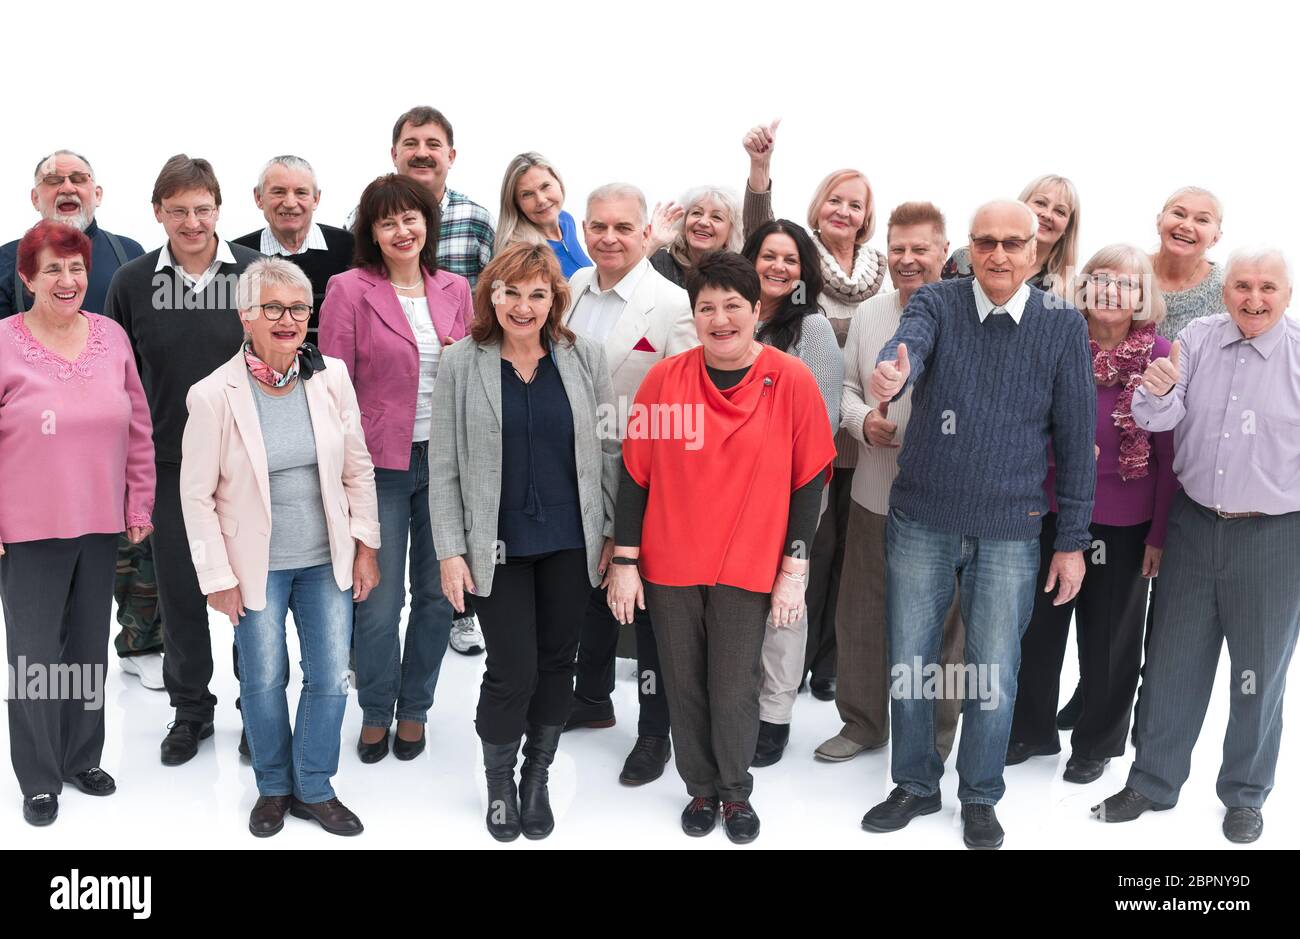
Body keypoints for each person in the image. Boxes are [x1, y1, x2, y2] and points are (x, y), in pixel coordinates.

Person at [860, 200, 1095, 850]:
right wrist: (894, 367)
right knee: (911, 658)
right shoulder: (938, 302)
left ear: (1034, 251)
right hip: (923, 519)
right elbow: (907, 344)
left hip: (1010, 529)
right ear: (969, 247)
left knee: (994, 667)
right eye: (985, 241)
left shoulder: (1061, 326)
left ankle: (981, 794)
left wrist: (1072, 540)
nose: (997, 254)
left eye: (1011, 243)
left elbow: (1077, 441)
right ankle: (912, 782)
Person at [607, 250, 836, 843]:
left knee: (733, 684)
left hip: (749, 560)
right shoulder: (665, 380)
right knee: (681, 681)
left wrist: (795, 565)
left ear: (756, 309)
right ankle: (700, 789)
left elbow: (809, 478)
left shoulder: (790, 379)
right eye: (706, 307)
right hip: (670, 560)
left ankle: (735, 794)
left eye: (733, 305)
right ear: (694, 315)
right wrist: (626, 562)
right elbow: (636, 476)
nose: (720, 318)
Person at [1093, 248, 1300, 845]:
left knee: (1258, 673)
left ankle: (1244, 794)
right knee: (1172, 662)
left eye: (1267, 287)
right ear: (1225, 289)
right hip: (1193, 523)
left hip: (1274, 535)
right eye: (1241, 285)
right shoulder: (1199, 338)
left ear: (1287, 294)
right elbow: (1157, 421)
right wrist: (1156, 391)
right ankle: (1153, 781)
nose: (1252, 298)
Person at [180, 258, 379, 837]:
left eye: (298, 308)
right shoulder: (213, 394)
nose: (288, 320)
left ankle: (313, 787)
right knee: (264, 680)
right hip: (255, 568)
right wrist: (216, 575)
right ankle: (272, 787)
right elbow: (196, 497)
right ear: (246, 315)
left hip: (326, 560)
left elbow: (358, 468)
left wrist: (366, 546)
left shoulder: (330, 376)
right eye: (273, 308)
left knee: (329, 678)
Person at [430, 243, 620, 841]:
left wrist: (614, 533)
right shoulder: (463, 362)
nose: (523, 305)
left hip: (571, 539)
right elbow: (444, 467)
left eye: (538, 294)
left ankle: (536, 777)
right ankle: (498, 784)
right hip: (497, 543)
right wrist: (450, 550)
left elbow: (609, 452)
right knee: (511, 668)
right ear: (491, 295)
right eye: (511, 291)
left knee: (558, 662)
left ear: (555, 300)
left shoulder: (584, 357)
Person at [104, 154, 262, 766]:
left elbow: (286, 361)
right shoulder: (134, 282)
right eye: (178, 212)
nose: (192, 222)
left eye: (202, 209)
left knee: (251, 592)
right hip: (169, 461)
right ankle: (191, 710)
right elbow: (118, 378)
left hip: (246, 463)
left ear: (219, 209)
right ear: (157, 214)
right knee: (179, 593)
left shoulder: (253, 273)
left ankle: (259, 710)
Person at [0, 220, 154, 826]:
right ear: (27, 277)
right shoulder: (4, 341)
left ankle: (80, 756)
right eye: (53, 270)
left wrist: (139, 500)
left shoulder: (111, 337)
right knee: (36, 658)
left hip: (99, 524)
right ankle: (39, 777)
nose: (67, 281)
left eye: (76, 269)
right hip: (27, 530)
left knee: (88, 649)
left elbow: (138, 423)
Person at [1007, 245, 1176, 784]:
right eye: (1101, 278)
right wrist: (1068, 454)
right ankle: (1030, 730)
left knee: (1109, 638)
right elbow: (1022, 423)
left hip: (1125, 521)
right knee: (1036, 629)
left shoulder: (1162, 354)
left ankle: (1097, 741)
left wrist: (1158, 533)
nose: (1111, 291)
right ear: (1082, 286)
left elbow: (1171, 452)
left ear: (1143, 296)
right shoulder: (1056, 340)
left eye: (1127, 283)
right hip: (1051, 509)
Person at [319, 173, 472, 763]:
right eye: (388, 221)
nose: (402, 230)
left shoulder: (456, 289)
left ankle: (416, 710)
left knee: (438, 596)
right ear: (373, 233)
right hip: (377, 466)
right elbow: (332, 387)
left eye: (411, 217)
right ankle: (377, 710)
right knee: (378, 601)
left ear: (427, 224)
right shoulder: (348, 289)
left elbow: (473, 377)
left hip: (446, 464)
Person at [0, 150, 160, 691]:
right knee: (41, 626)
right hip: (38, 465)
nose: (67, 187)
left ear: (98, 191)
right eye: (53, 179)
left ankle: (140, 642)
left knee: (128, 561)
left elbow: (142, 343)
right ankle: (45, 740)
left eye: (79, 178)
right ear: (34, 196)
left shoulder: (129, 254)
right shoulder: (5, 262)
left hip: (110, 439)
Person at [741, 119, 886, 703]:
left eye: (856, 204)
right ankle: (789, 666)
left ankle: (828, 661)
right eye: (835, 199)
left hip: (868, 434)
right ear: (818, 206)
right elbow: (760, 245)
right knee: (814, 551)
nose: (844, 211)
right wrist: (758, 172)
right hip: (814, 441)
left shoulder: (879, 269)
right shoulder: (802, 265)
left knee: (851, 556)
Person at [819, 202, 965, 764]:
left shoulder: (966, 313)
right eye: (897, 248)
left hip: (943, 503)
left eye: (920, 249)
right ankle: (862, 723)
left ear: (943, 250)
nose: (907, 259)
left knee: (944, 628)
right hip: (874, 490)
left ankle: (935, 736)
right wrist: (862, 422)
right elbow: (848, 388)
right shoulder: (871, 315)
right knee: (861, 613)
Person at [562, 183, 697, 786]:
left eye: (622, 227)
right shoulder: (569, 290)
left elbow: (691, 403)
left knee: (646, 608)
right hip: (573, 470)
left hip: (645, 476)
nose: (608, 238)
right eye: (597, 226)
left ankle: (653, 734)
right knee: (587, 592)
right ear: (583, 231)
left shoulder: (672, 305)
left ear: (647, 233)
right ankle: (589, 697)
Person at [738, 218, 841, 764]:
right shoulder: (731, 317)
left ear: (805, 272)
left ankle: (774, 713)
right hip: (729, 492)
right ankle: (733, 702)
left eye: (791, 260)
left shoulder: (813, 331)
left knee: (785, 598)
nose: (778, 268)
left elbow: (821, 424)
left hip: (792, 489)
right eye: (768, 256)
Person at [233, 155, 354, 343]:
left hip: (335, 369)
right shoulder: (236, 255)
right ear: (258, 197)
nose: (290, 202)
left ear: (316, 198)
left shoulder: (349, 248)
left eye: (301, 193)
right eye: (279, 192)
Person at [386, 105, 495, 288]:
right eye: (411, 143)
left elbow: (501, 289)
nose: (421, 153)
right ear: (395, 155)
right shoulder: (366, 217)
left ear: (451, 157)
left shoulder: (478, 221)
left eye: (433, 144)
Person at [941, 174, 1080, 296]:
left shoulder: (1069, 289)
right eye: (1041, 203)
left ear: (1068, 227)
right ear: (1021, 206)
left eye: (1060, 212)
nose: (1047, 214)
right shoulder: (965, 259)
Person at [495, 152, 591, 277]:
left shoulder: (566, 220)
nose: (541, 200)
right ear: (516, 204)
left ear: (559, 183)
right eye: (527, 194)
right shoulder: (523, 253)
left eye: (545, 186)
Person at [649, 186, 744, 288]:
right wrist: (652, 243)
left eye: (716, 217)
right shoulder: (656, 262)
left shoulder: (738, 277)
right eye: (697, 213)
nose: (703, 222)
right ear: (684, 222)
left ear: (731, 232)